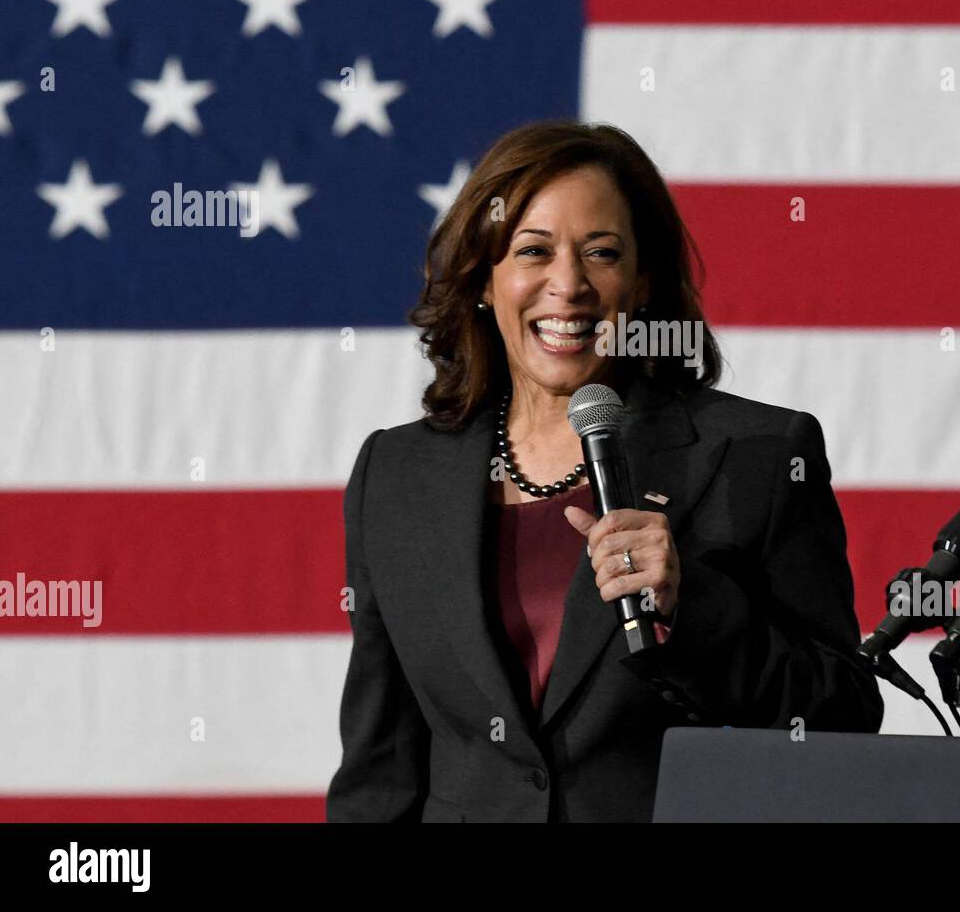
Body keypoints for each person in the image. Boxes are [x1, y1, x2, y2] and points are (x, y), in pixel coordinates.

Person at [325, 120, 884, 823]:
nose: (569, 286)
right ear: (484, 279)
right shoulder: (397, 474)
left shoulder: (760, 453)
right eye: (533, 251)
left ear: (642, 280)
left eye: (602, 253)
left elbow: (842, 715)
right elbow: (381, 767)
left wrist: (694, 607)